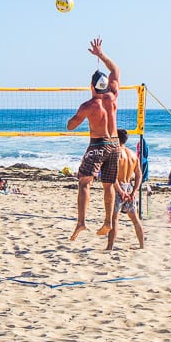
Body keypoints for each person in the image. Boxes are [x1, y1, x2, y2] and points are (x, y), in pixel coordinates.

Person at [67, 37, 121, 241]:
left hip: (98, 144)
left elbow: (71, 126)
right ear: (106, 85)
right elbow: (115, 69)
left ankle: (81, 222)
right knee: (108, 184)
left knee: (84, 183)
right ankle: (108, 221)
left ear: (92, 85)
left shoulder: (89, 105)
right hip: (115, 145)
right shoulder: (113, 96)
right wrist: (100, 55)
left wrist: (76, 117)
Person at [106, 129, 145, 250]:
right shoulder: (133, 155)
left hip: (119, 188)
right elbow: (139, 175)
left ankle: (109, 247)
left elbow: (113, 175)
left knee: (114, 219)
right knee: (135, 219)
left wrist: (121, 191)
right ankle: (142, 246)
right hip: (129, 187)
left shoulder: (116, 153)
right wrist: (134, 191)